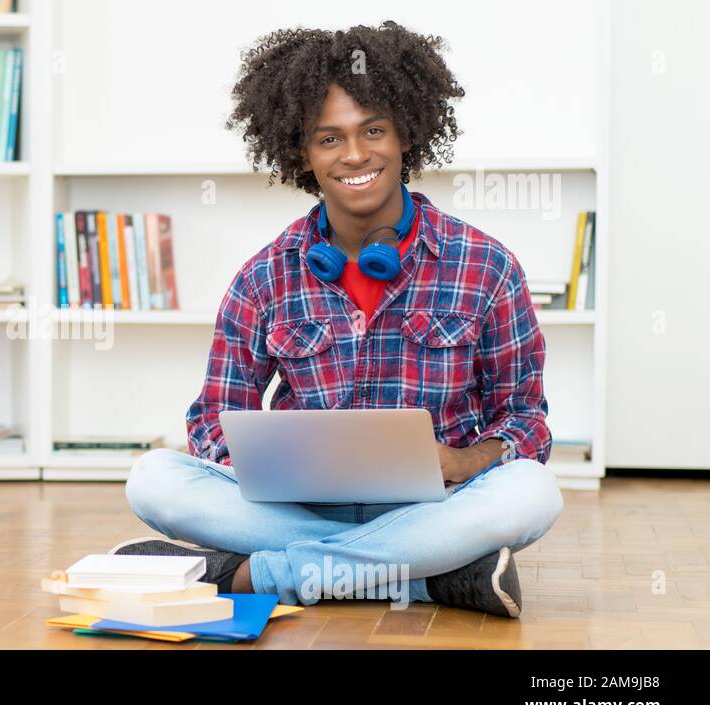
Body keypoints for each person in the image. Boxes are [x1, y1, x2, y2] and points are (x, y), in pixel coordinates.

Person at [112, 21, 563, 618]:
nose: (354, 155)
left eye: (372, 130)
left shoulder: (487, 265)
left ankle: (262, 574)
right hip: (295, 509)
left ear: (406, 134)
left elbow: (526, 421)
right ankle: (431, 576)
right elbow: (211, 421)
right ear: (302, 153)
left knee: (532, 494)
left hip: (436, 507)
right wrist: (268, 467)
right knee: (153, 479)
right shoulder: (264, 276)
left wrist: (464, 461)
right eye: (329, 139)